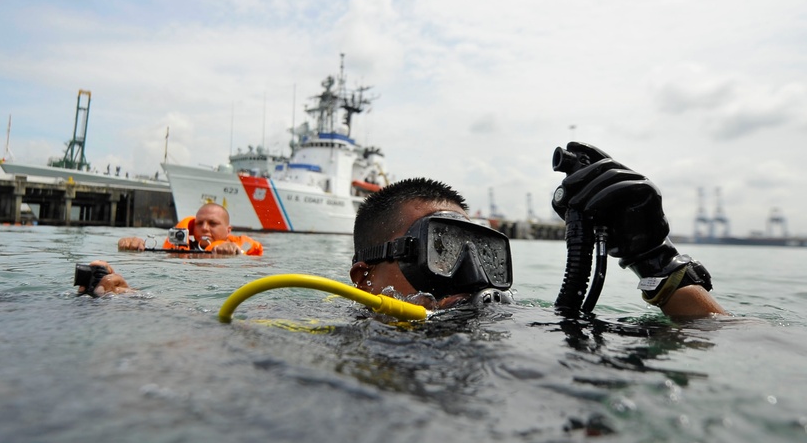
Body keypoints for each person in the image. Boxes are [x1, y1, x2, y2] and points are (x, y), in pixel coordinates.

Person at [350, 144, 725, 320]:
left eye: (484, 254)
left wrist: (655, 259)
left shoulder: (521, 325)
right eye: (442, 253)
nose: (475, 281)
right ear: (365, 279)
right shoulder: (330, 346)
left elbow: (724, 341)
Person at [117, 203, 264, 256]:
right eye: (199, 223)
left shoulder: (242, 247)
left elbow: (252, 252)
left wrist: (235, 251)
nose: (205, 228)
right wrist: (132, 244)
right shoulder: (178, 248)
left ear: (228, 231)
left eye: (212, 223)